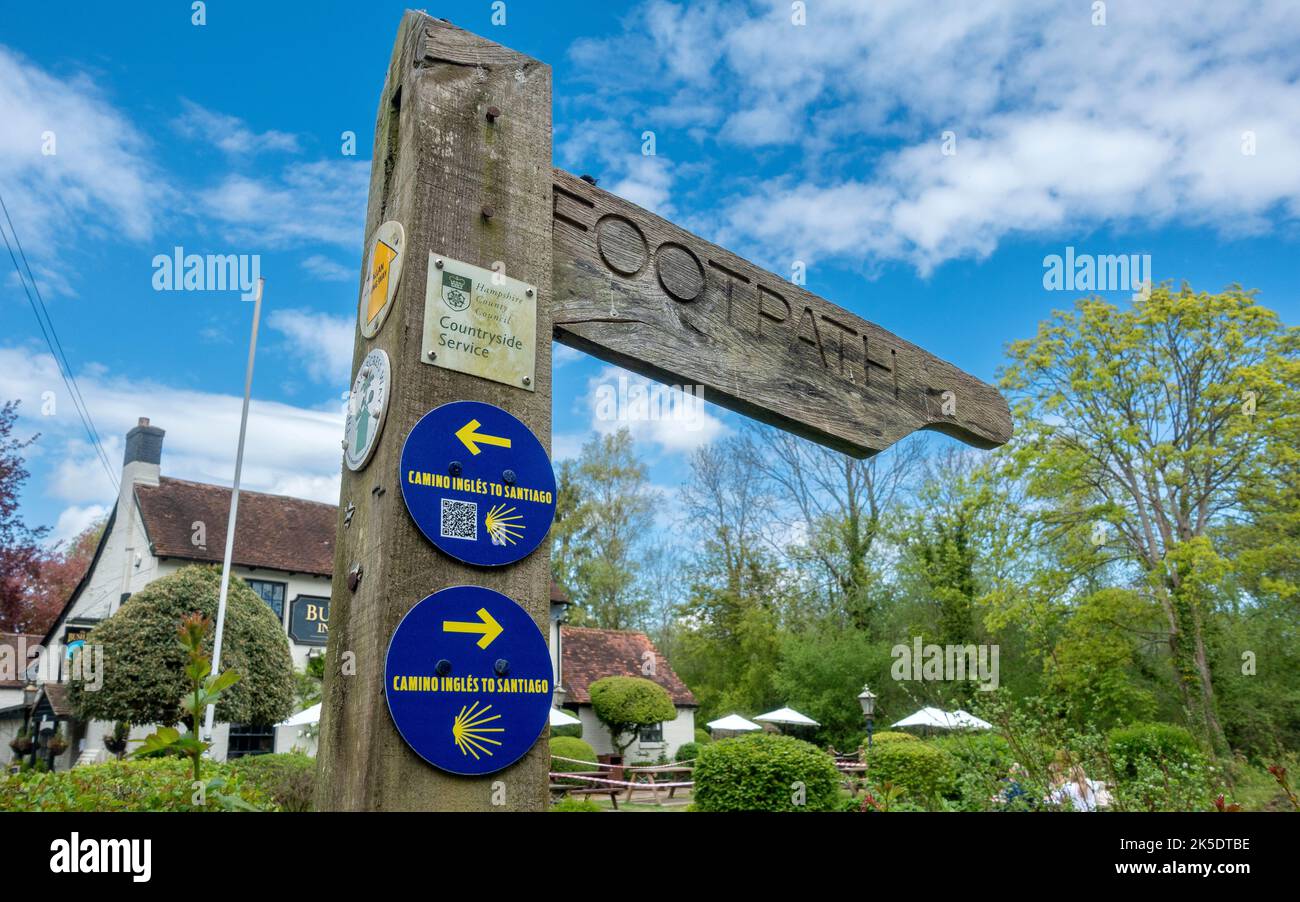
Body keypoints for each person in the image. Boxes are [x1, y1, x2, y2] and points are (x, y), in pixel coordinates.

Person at [1047, 755, 1111, 811]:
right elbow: (1099, 786)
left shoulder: (1069, 786)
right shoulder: (1089, 782)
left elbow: (1056, 796)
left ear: (1071, 775)